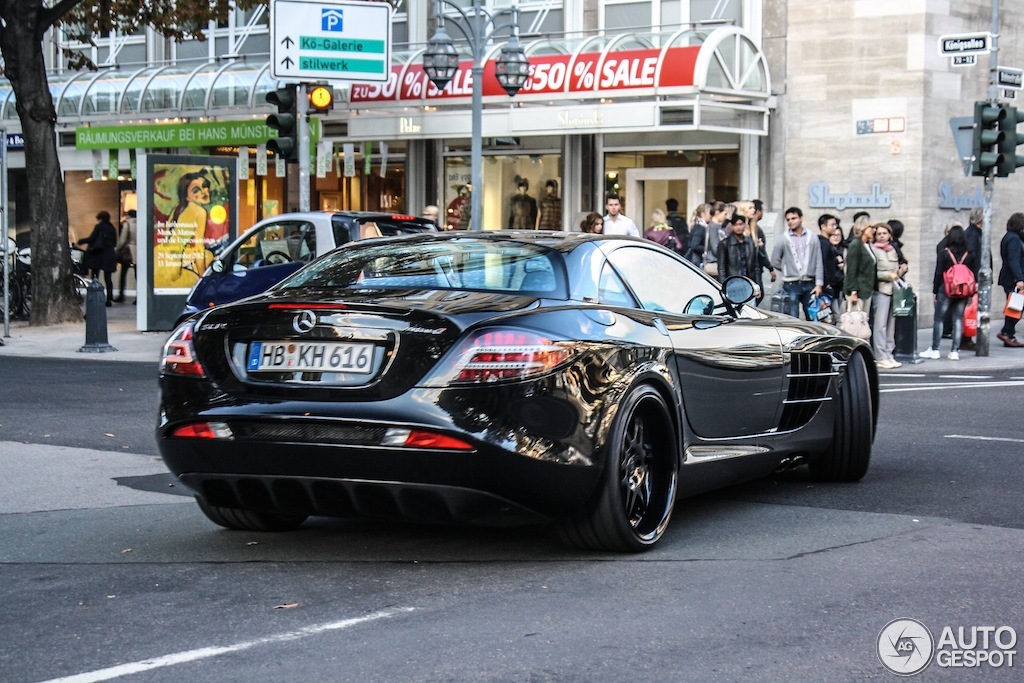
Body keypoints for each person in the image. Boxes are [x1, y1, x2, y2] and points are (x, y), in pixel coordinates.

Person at [921, 225, 976, 361]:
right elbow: (974, 274)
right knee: (958, 319)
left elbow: (938, 273)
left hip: (946, 289)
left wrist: (935, 291)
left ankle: (935, 349)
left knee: (939, 318)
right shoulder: (970, 253)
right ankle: (954, 351)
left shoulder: (944, 253)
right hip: (963, 291)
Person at [770, 206, 823, 319]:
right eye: (788, 219)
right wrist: (786, 269)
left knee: (812, 316)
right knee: (793, 317)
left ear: (801, 218)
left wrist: (819, 284)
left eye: (793, 218)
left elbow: (818, 261)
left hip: (810, 283)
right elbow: (774, 260)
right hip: (791, 284)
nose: (790, 222)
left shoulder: (812, 237)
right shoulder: (783, 238)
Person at [870, 222, 902, 369]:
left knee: (891, 325)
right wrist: (888, 275)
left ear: (890, 235)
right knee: (880, 325)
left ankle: (889, 353)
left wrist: (901, 271)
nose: (882, 236)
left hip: (894, 289)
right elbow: (873, 273)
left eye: (885, 233)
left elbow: (897, 270)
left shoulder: (893, 249)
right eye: (879, 234)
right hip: (881, 289)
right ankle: (880, 355)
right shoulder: (873, 250)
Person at [169, 171, 212, 277]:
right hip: (176, 268)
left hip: (165, 259)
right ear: (187, 196)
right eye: (196, 190)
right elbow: (199, 248)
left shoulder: (178, 208)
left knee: (208, 255)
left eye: (205, 186)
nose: (203, 192)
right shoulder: (200, 211)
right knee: (207, 256)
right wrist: (203, 277)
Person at [77, 210, 118, 306]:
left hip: (98, 255)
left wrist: (80, 241)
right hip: (109, 255)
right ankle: (109, 299)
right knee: (108, 278)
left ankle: (94, 296)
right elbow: (115, 242)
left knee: (95, 277)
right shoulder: (112, 228)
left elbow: (91, 238)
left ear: (100, 219)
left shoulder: (99, 227)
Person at [997, 212, 1024, 347]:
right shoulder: (1013, 239)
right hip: (1013, 279)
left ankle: (1009, 334)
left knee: (1015, 306)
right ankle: (1007, 332)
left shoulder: (1011, 237)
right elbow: (1013, 260)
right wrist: (1019, 279)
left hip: (1010, 278)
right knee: (1016, 306)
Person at [716, 214, 757, 283]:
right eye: (735, 225)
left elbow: (755, 266)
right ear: (732, 226)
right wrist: (723, 285)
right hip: (733, 282)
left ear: (745, 225)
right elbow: (721, 268)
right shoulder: (725, 243)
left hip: (749, 281)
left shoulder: (750, 242)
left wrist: (757, 285)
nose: (738, 227)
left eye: (740, 224)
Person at [114, 209, 137, 303]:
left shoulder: (127, 224)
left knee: (123, 274)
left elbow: (123, 240)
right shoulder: (142, 224)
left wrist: (118, 249)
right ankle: (138, 297)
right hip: (139, 252)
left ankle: (121, 295)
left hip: (129, 251)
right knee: (138, 276)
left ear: (128, 215)